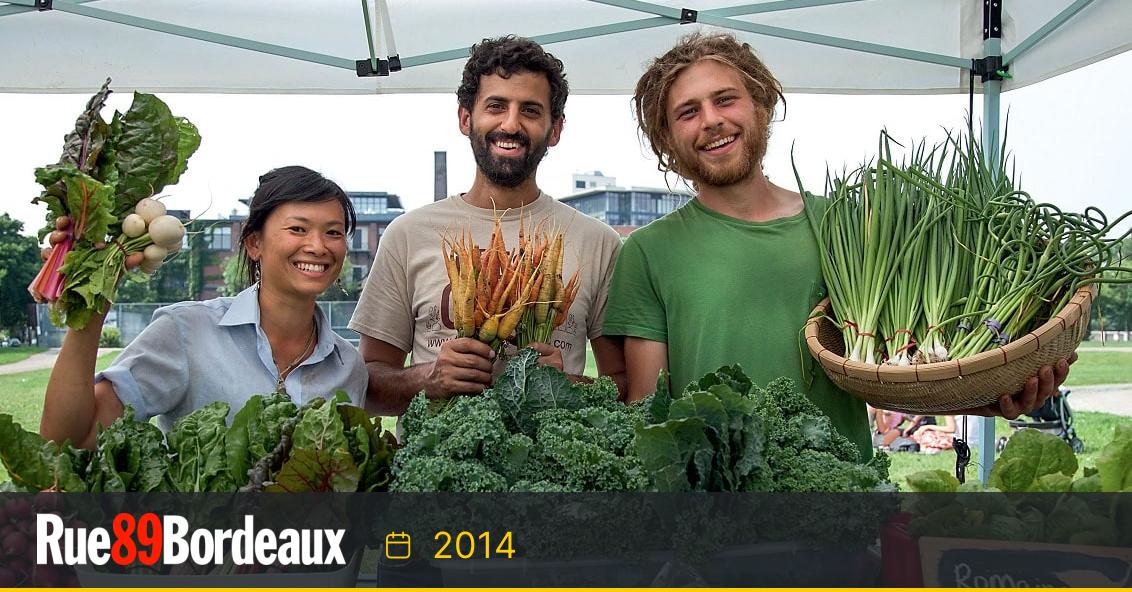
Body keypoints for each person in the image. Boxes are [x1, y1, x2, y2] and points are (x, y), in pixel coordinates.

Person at [602, 32, 1073, 460]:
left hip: (841, 495)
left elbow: (899, 361)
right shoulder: (648, 251)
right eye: (688, 112)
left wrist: (991, 391)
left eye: (726, 100)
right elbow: (649, 410)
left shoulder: (847, 225)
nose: (711, 120)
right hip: (713, 504)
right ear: (667, 139)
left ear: (761, 105)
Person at [349, 36, 625, 416]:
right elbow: (366, 385)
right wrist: (427, 378)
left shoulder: (598, 243)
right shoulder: (407, 235)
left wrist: (565, 387)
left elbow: (623, 386)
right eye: (496, 106)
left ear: (555, 129)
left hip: (546, 471)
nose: (510, 124)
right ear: (466, 118)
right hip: (437, 465)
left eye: (530, 110)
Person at [40, 166, 368, 447]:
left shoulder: (348, 367)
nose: (317, 246)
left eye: (333, 233)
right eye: (298, 228)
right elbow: (74, 438)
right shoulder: (186, 331)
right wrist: (92, 307)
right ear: (254, 243)